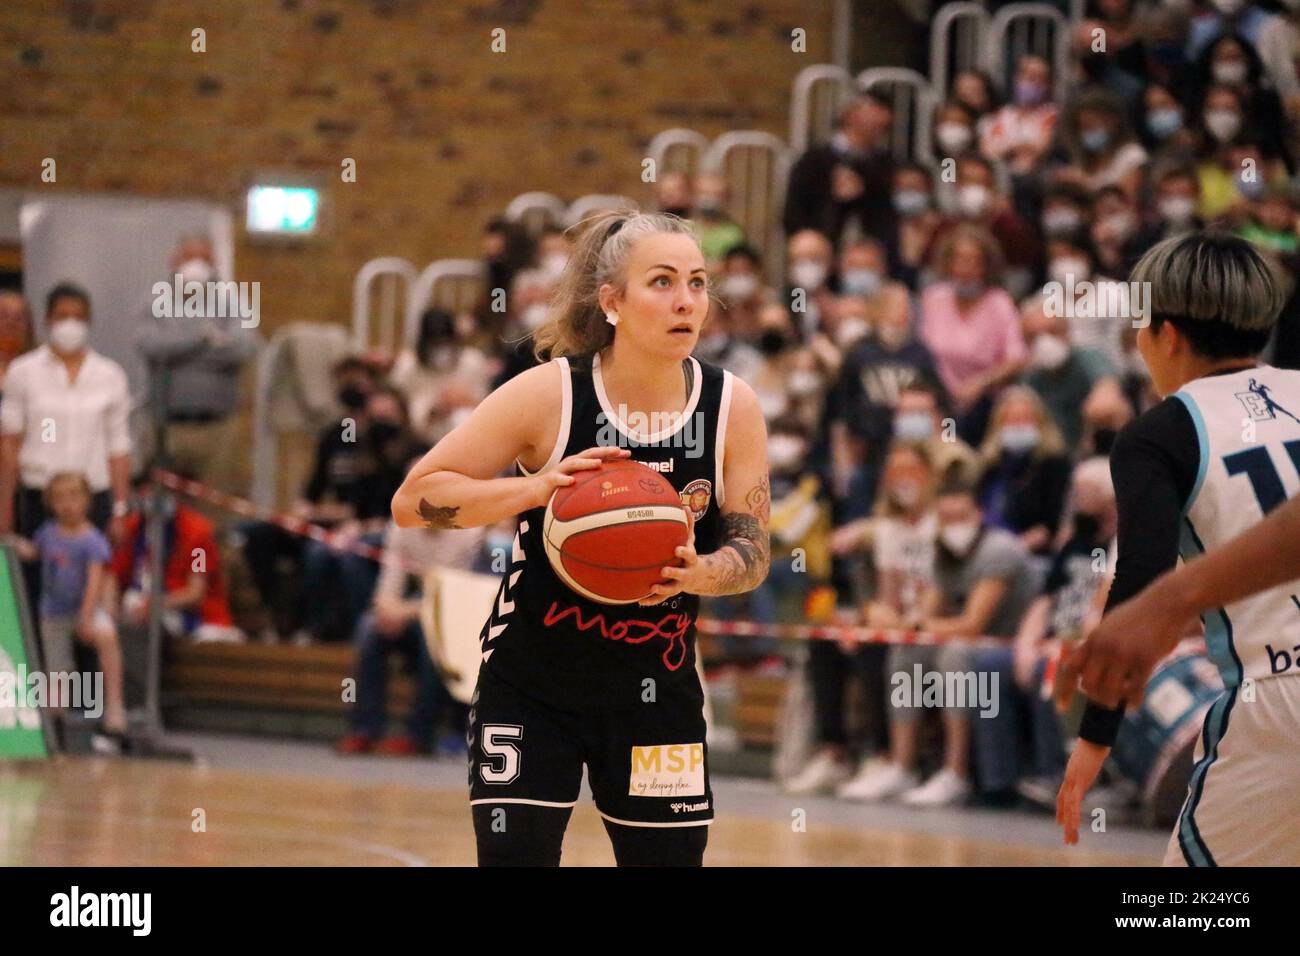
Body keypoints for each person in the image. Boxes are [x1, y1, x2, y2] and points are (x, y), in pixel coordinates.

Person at [392, 209, 771, 867]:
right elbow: (413, 502)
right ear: (613, 302)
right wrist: (534, 491)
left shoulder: (731, 407)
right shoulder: (549, 395)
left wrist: (702, 573)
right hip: (531, 686)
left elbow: (752, 549)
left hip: (660, 694)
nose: (686, 300)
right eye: (662, 282)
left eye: (698, 282)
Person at [1054, 232, 1300, 866]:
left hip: (1277, 697)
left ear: (1163, 334)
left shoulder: (1159, 432)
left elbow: (1139, 577)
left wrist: (1094, 740)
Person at [0, 283, 132, 543]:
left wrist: (120, 508)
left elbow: (118, 447)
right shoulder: (24, 371)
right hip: (40, 497)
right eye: (62, 316)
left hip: (93, 496)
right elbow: (10, 443)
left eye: (78, 317)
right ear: (48, 319)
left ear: (89, 321)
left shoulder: (110, 375)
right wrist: (5, 506)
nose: (70, 324)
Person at [10, 472, 128, 752]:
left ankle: (114, 706)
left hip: (86, 608)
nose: (67, 505)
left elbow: (95, 580)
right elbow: (34, 552)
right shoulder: (48, 534)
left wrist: (87, 615)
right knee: (56, 669)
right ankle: (55, 723)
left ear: (87, 501)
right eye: (59, 499)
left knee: (107, 637)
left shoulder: (92, 540)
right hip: (53, 612)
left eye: (74, 497)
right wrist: (15, 544)